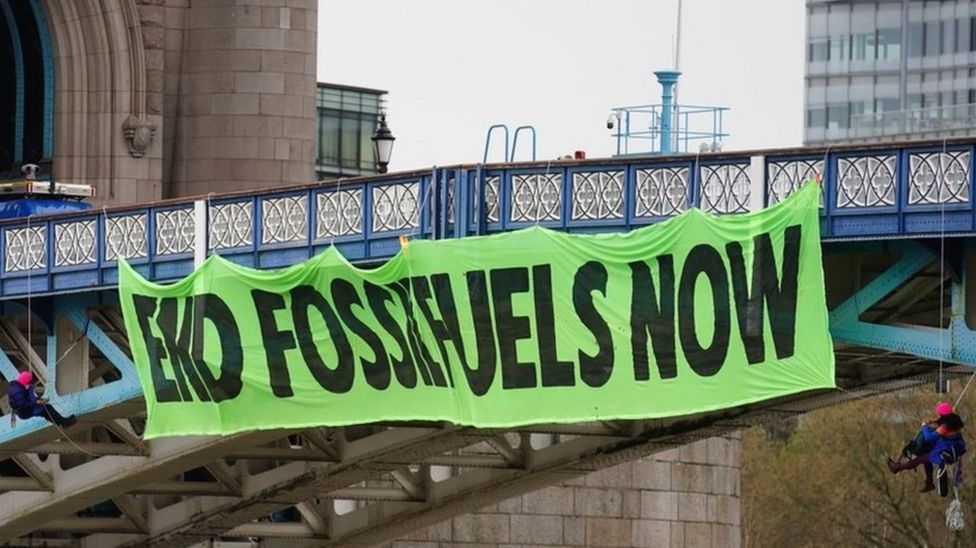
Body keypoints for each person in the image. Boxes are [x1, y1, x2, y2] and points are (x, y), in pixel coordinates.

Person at [887, 401, 966, 493]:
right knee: (926, 455)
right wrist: (934, 421)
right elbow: (942, 423)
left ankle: (897, 468)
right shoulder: (954, 420)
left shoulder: (945, 427)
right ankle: (929, 482)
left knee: (919, 459)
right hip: (951, 447)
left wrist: (924, 427)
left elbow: (929, 438)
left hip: (945, 451)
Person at [7, 371, 76, 428]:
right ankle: (64, 423)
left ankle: (60, 422)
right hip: (25, 412)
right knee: (47, 408)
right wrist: (36, 401)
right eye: (28, 382)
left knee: (45, 411)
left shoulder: (17, 386)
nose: (29, 384)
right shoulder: (18, 390)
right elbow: (23, 403)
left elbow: (24, 398)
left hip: (23, 410)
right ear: (25, 381)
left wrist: (38, 400)